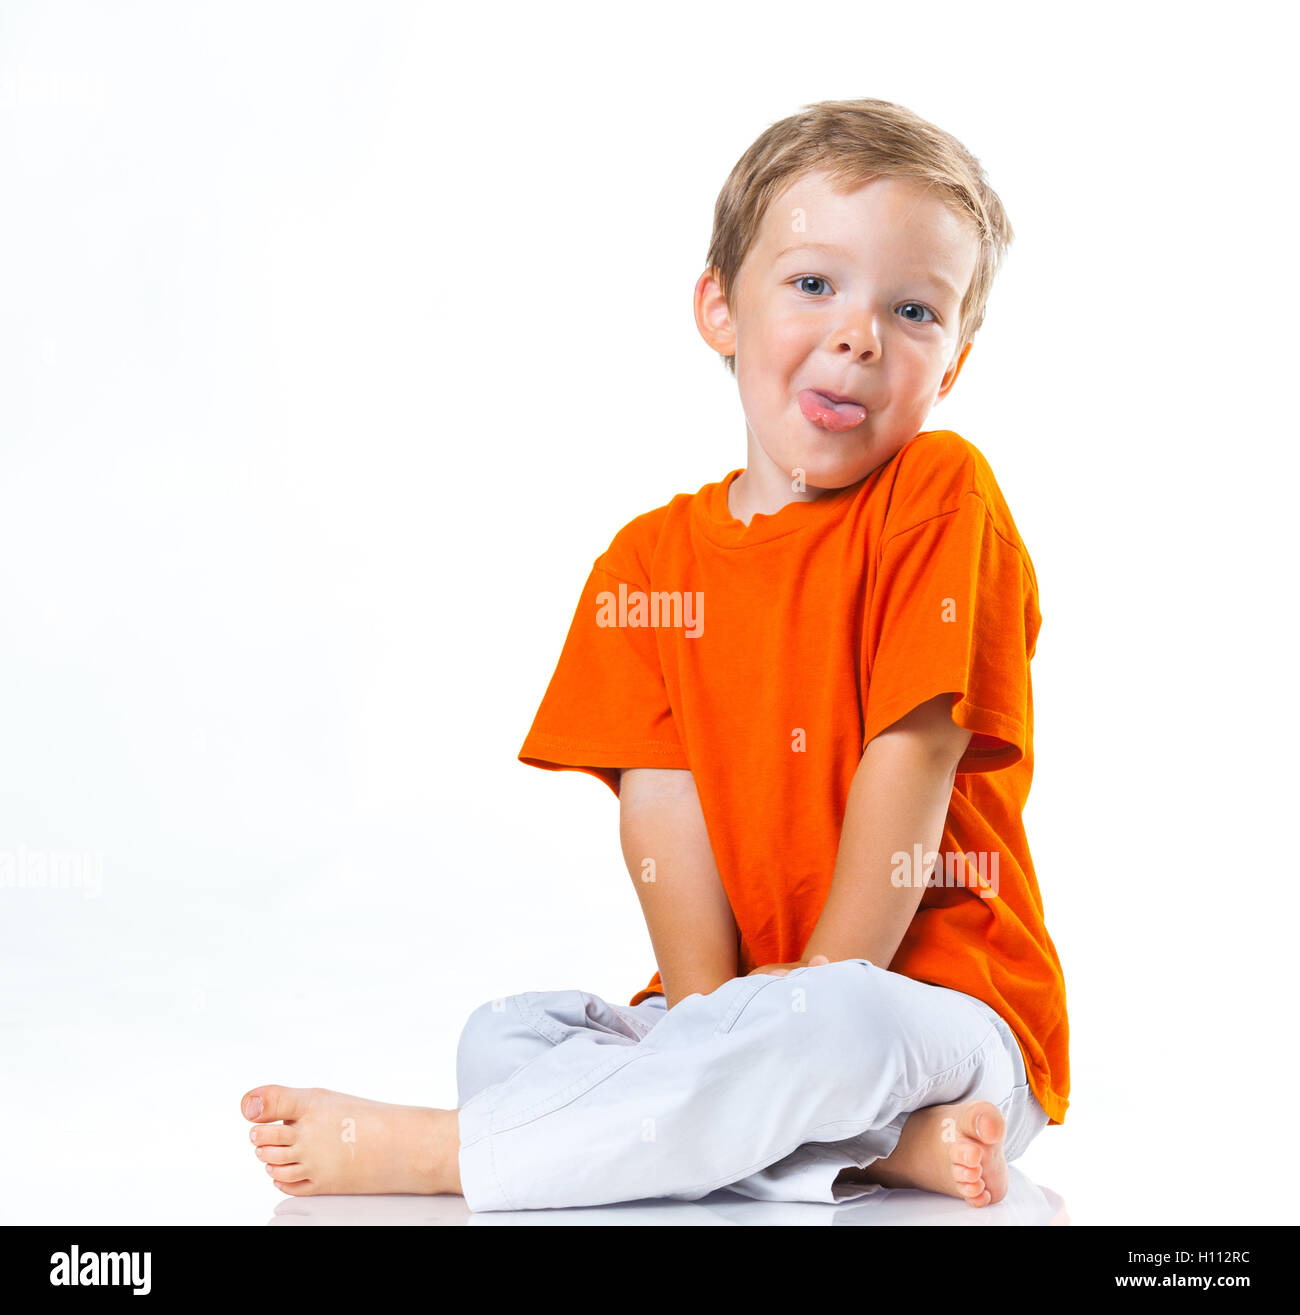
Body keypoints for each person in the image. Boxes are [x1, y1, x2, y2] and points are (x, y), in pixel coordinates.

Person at [239, 96, 1069, 1212]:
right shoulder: (647, 563)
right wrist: (712, 1014)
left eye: (912, 310)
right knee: (508, 1035)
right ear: (719, 308)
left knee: (824, 1025)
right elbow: (661, 810)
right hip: (753, 1016)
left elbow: (911, 761)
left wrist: (783, 1015)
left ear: (952, 365)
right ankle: (867, 1151)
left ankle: (454, 1156)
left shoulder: (939, 494)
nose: (859, 333)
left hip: (930, 1014)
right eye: (814, 284)